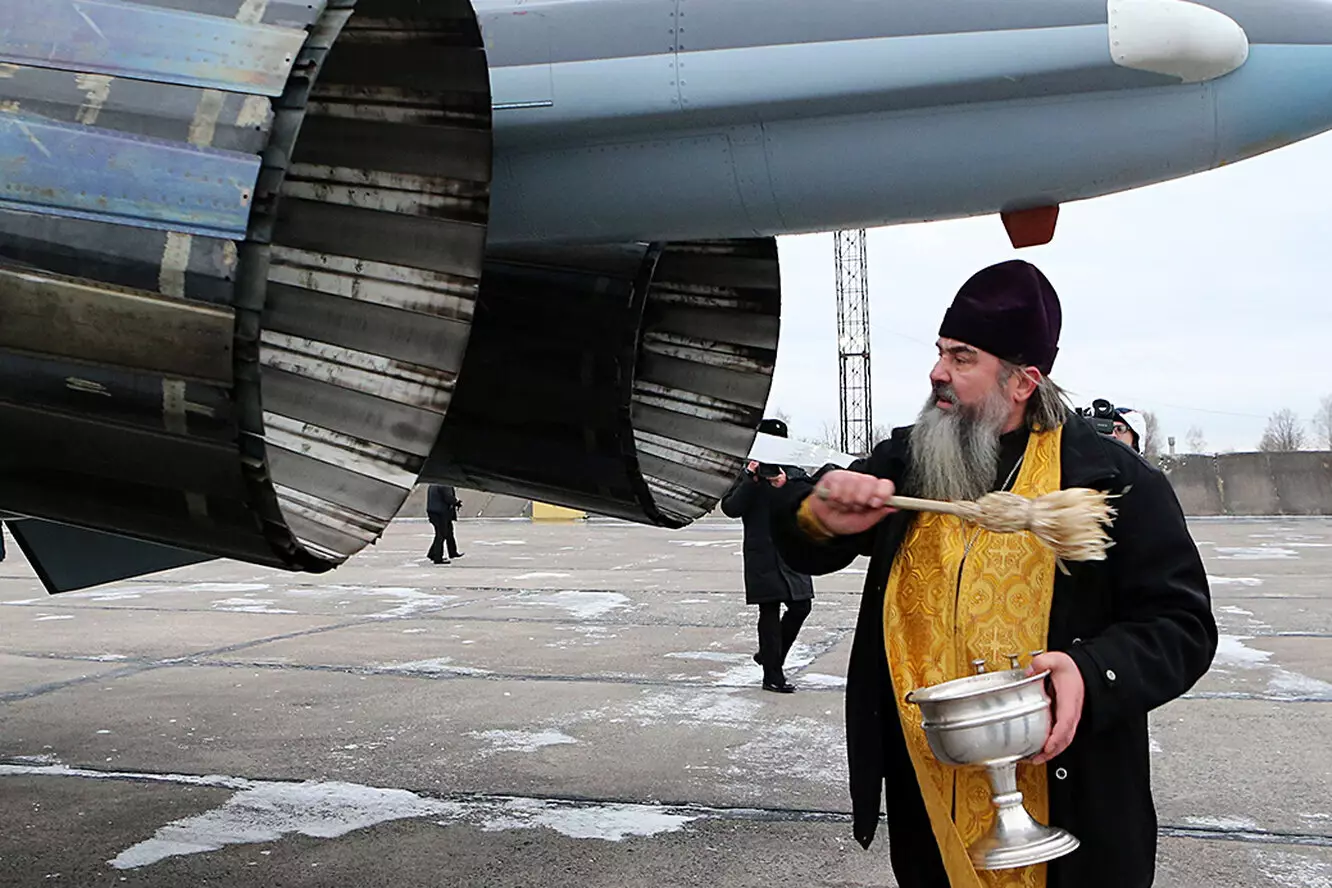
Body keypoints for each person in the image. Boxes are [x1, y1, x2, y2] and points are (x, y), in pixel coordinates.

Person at [770, 260, 1216, 888]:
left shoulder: (1109, 482)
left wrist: (1091, 670)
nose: (937, 373)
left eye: (962, 357)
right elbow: (805, 537)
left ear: (1022, 381)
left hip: (1069, 802)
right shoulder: (912, 460)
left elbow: (1183, 627)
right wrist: (817, 513)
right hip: (932, 796)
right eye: (940, 352)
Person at [722, 418, 815, 694]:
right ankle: (772, 675)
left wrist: (786, 482)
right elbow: (731, 508)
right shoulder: (745, 474)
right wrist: (751, 479)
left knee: (801, 606)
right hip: (761, 552)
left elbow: (810, 496)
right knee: (770, 610)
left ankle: (769, 655)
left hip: (791, 549)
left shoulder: (794, 471)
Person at [426, 484, 463, 564]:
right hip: (441, 513)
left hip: (435, 511)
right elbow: (448, 498)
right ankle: (437, 557)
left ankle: (450, 552)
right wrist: (456, 502)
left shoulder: (433, 483)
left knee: (447, 532)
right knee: (441, 534)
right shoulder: (445, 484)